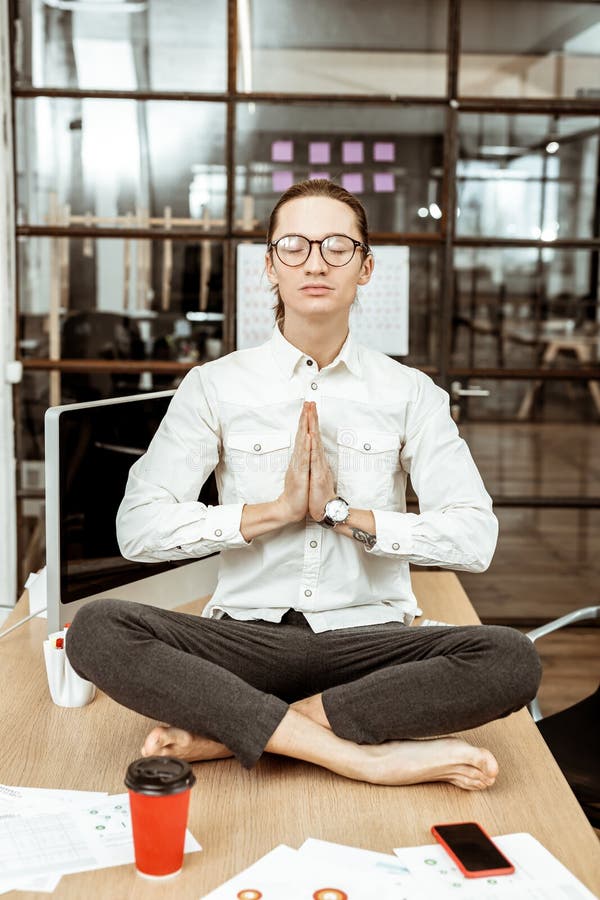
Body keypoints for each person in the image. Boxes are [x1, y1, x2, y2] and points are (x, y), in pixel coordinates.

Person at [66, 180, 541, 791]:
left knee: (511, 659)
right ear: (270, 265)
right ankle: (359, 756)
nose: (315, 261)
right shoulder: (214, 386)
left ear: (366, 267)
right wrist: (276, 510)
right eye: (293, 245)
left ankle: (236, 732)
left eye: (338, 246)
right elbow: (137, 528)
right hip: (246, 640)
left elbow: (474, 538)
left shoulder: (410, 393)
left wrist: (345, 514)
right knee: (98, 630)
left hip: (366, 645)